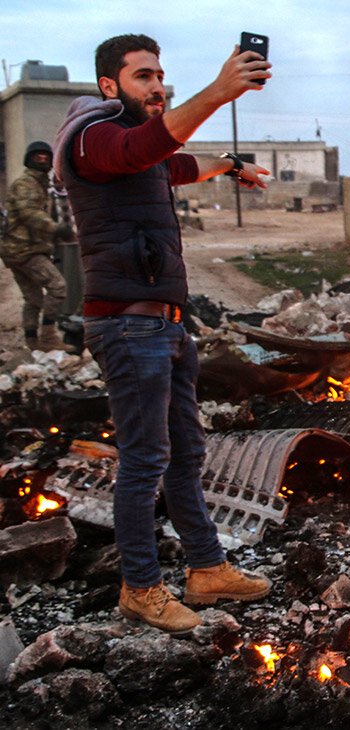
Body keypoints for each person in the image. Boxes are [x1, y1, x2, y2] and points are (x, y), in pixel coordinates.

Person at [52, 33, 273, 634]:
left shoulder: (136, 148)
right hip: (127, 325)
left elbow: (172, 163)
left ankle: (206, 569)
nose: (157, 86)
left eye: (160, 76)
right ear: (109, 85)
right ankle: (141, 588)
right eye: (143, 76)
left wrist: (230, 166)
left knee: (186, 452)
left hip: (165, 322)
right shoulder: (93, 137)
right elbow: (146, 147)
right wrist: (219, 93)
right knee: (145, 459)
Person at [2, 141, 72, 351]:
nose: (42, 160)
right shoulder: (26, 184)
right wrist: (55, 229)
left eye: (45, 156)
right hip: (24, 250)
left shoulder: (40, 185)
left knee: (33, 299)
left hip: (20, 249)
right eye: (37, 157)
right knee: (57, 287)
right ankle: (49, 338)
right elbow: (29, 213)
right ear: (28, 160)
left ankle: (32, 343)